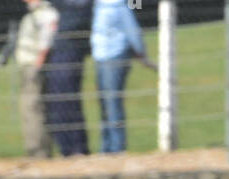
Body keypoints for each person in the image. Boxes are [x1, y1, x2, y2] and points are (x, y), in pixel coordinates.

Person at [91, 0, 154, 154]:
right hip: (101, 57)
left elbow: (132, 29)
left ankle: (117, 147)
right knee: (105, 104)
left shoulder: (119, 5)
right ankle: (106, 147)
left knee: (112, 103)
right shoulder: (100, 5)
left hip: (115, 55)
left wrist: (141, 53)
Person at [9, 0, 59, 158]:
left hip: (33, 65)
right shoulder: (33, 14)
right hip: (28, 64)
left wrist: (39, 62)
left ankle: (38, 150)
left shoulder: (47, 14)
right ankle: (35, 148)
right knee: (29, 107)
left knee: (33, 108)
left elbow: (46, 39)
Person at [44, 0, 92, 157]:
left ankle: (76, 148)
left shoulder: (80, 5)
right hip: (61, 51)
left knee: (67, 101)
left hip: (70, 51)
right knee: (58, 103)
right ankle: (67, 148)